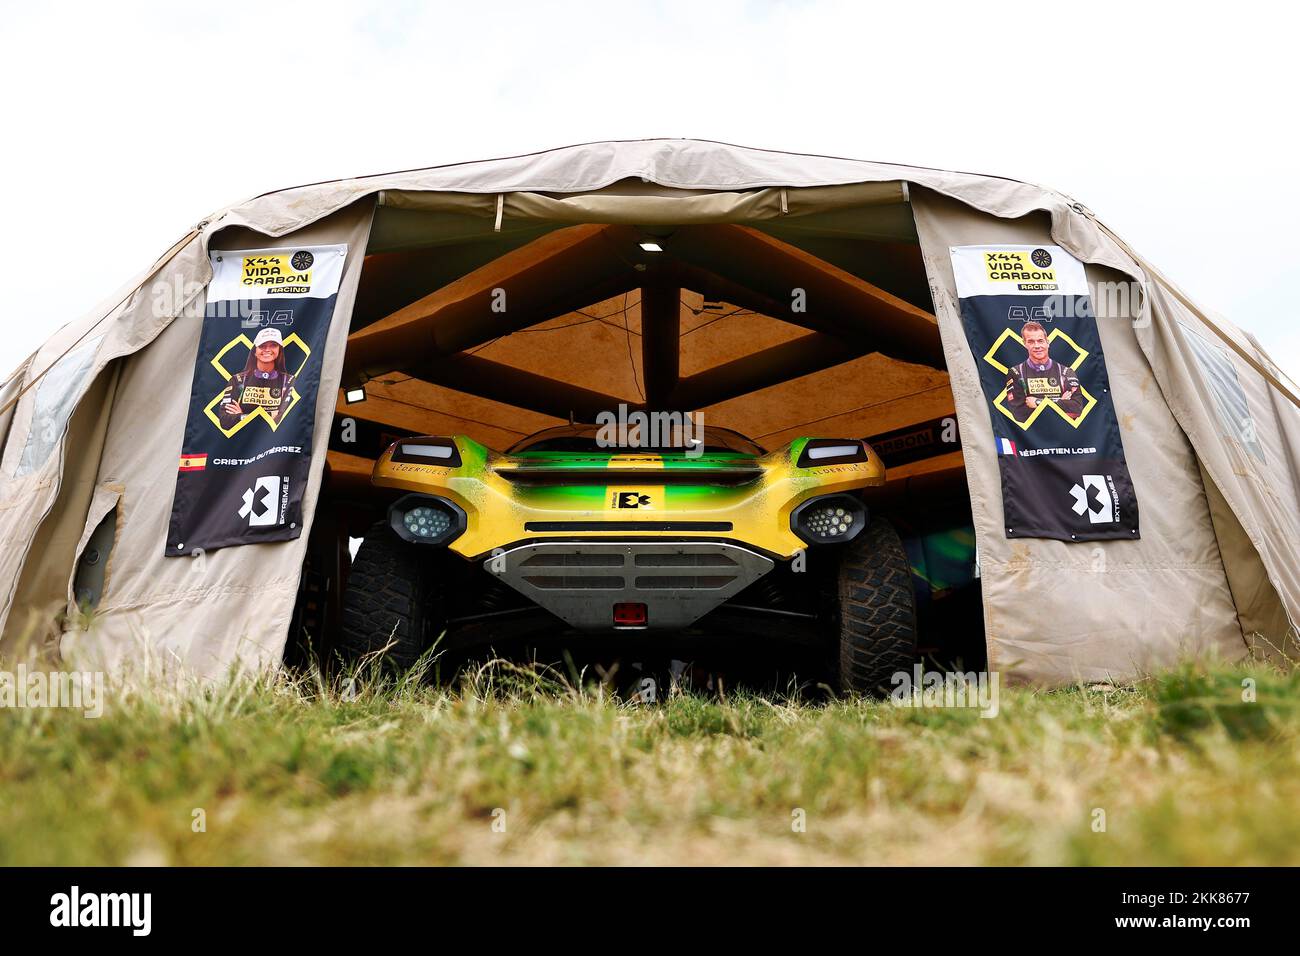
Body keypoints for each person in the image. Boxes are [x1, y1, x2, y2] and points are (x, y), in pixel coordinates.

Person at [1003, 321, 1082, 423]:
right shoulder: (1016, 373)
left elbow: (1077, 409)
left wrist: (1038, 402)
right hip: (1033, 436)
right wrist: (1061, 402)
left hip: (1064, 433)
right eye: (1031, 342)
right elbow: (1019, 414)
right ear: (1025, 344)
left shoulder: (1067, 372)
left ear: (1047, 342)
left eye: (1040, 341)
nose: (1037, 346)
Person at [218, 328, 296, 428]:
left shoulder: (289, 381)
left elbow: (285, 420)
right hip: (242, 441)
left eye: (273, 345)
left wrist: (241, 416)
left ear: (279, 350)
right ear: (255, 351)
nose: (267, 349)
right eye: (262, 346)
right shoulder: (238, 380)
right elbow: (225, 421)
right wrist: (271, 415)